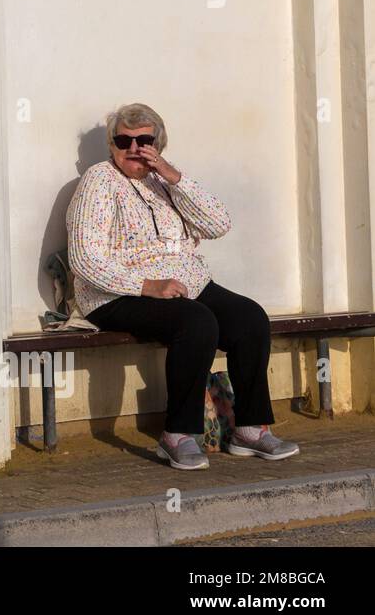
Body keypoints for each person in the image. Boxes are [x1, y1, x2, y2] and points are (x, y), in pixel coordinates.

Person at [65, 102, 300, 470]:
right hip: (115, 293)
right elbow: (84, 259)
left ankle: (250, 430)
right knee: (197, 322)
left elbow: (218, 224)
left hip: (186, 283)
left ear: (158, 144)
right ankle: (177, 435)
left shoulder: (165, 181)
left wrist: (176, 178)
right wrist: (147, 286)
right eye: (122, 141)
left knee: (250, 318)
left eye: (143, 140)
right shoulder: (99, 180)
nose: (133, 148)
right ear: (111, 145)